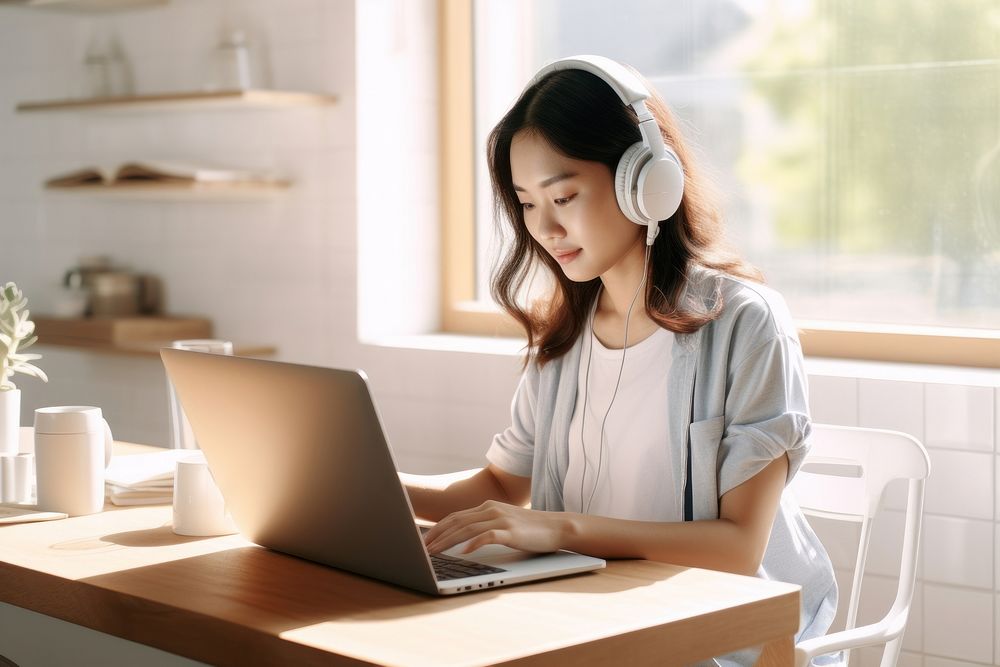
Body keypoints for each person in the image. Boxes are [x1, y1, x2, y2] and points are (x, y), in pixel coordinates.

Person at [402, 55, 837, 664]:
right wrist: (374, 490)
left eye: (564, 196)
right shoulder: (563, 335)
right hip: (589, 625)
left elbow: (739, 548)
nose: (545, 228)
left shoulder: (745, 322)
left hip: (715, 643)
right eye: (527, 203)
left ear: (646, 182)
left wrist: (561, 529)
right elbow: (501, 485)